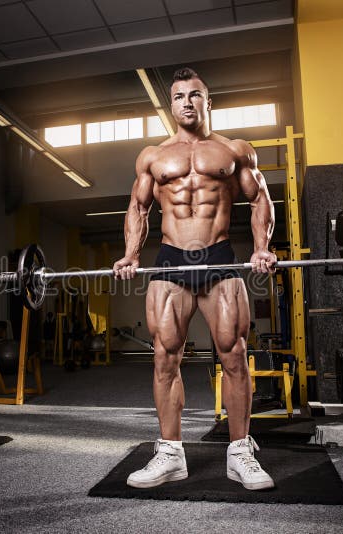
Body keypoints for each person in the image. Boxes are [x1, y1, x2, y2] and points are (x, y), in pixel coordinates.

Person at [113, 67, 277, 490]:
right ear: (171, 105)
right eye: (179, 96)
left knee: (234, 355)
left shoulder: (235, 150)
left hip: (219, 257)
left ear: (209, 101)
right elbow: (138, 207)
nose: (187, 102)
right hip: (170, 261)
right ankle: (170, 453)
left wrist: (261, 247)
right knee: (165, 356)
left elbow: (259, 199)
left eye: (195, 95)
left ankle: (240, 451)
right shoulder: (152, 156)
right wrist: (131, 253)